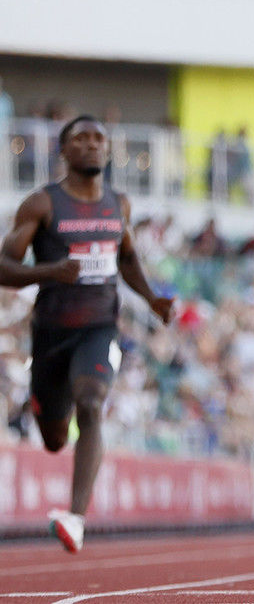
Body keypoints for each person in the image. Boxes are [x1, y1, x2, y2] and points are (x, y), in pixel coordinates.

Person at [0, 115, 175, 553]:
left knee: (92, 403)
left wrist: (152, 298)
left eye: (99, 139)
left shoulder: (119, 204)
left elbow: (128, 258)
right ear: (64, 150)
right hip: (51, 336)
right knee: (55, 439)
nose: (92, 145)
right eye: (81, 138)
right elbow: (4, 266)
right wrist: (50, 272)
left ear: (109, 151)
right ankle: (44, 407)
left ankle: (75, 517)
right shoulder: (41, 205)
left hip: (99, 328)